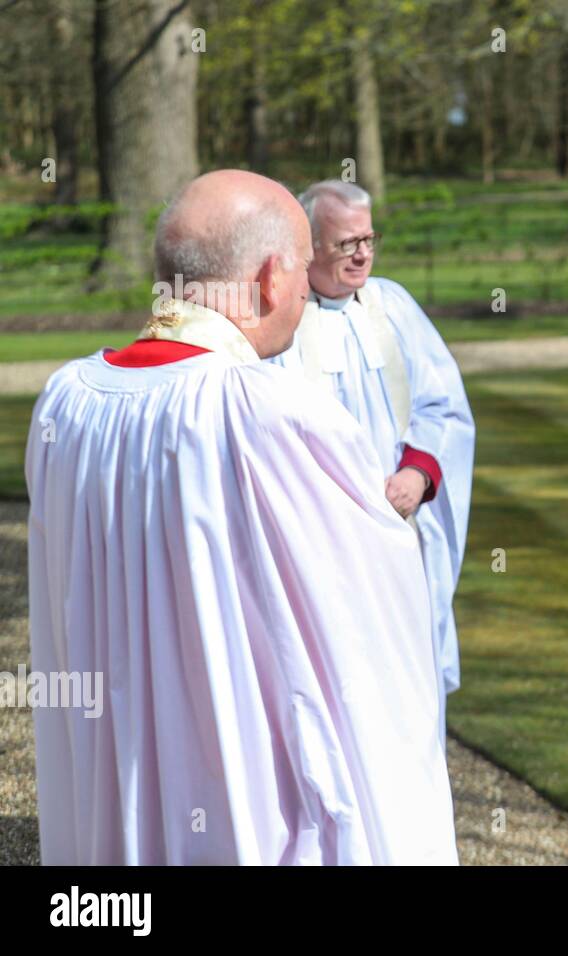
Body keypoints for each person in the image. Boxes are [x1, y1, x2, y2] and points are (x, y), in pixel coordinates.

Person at [25, 169, 458, 865]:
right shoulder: (274, 416)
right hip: (245, 800)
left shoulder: (66, 404)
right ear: (270, 280)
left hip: (113, 775)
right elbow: (362, 643)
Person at [267, 180, 473, 747]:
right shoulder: (281, 319)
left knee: (408, 677)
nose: (362, 254)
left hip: (401, 530)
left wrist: (419, 473)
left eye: (369, 239)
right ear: (309, 245)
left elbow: (443, 404)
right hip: (322, 538)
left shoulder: (394, 305)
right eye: (345, 243)